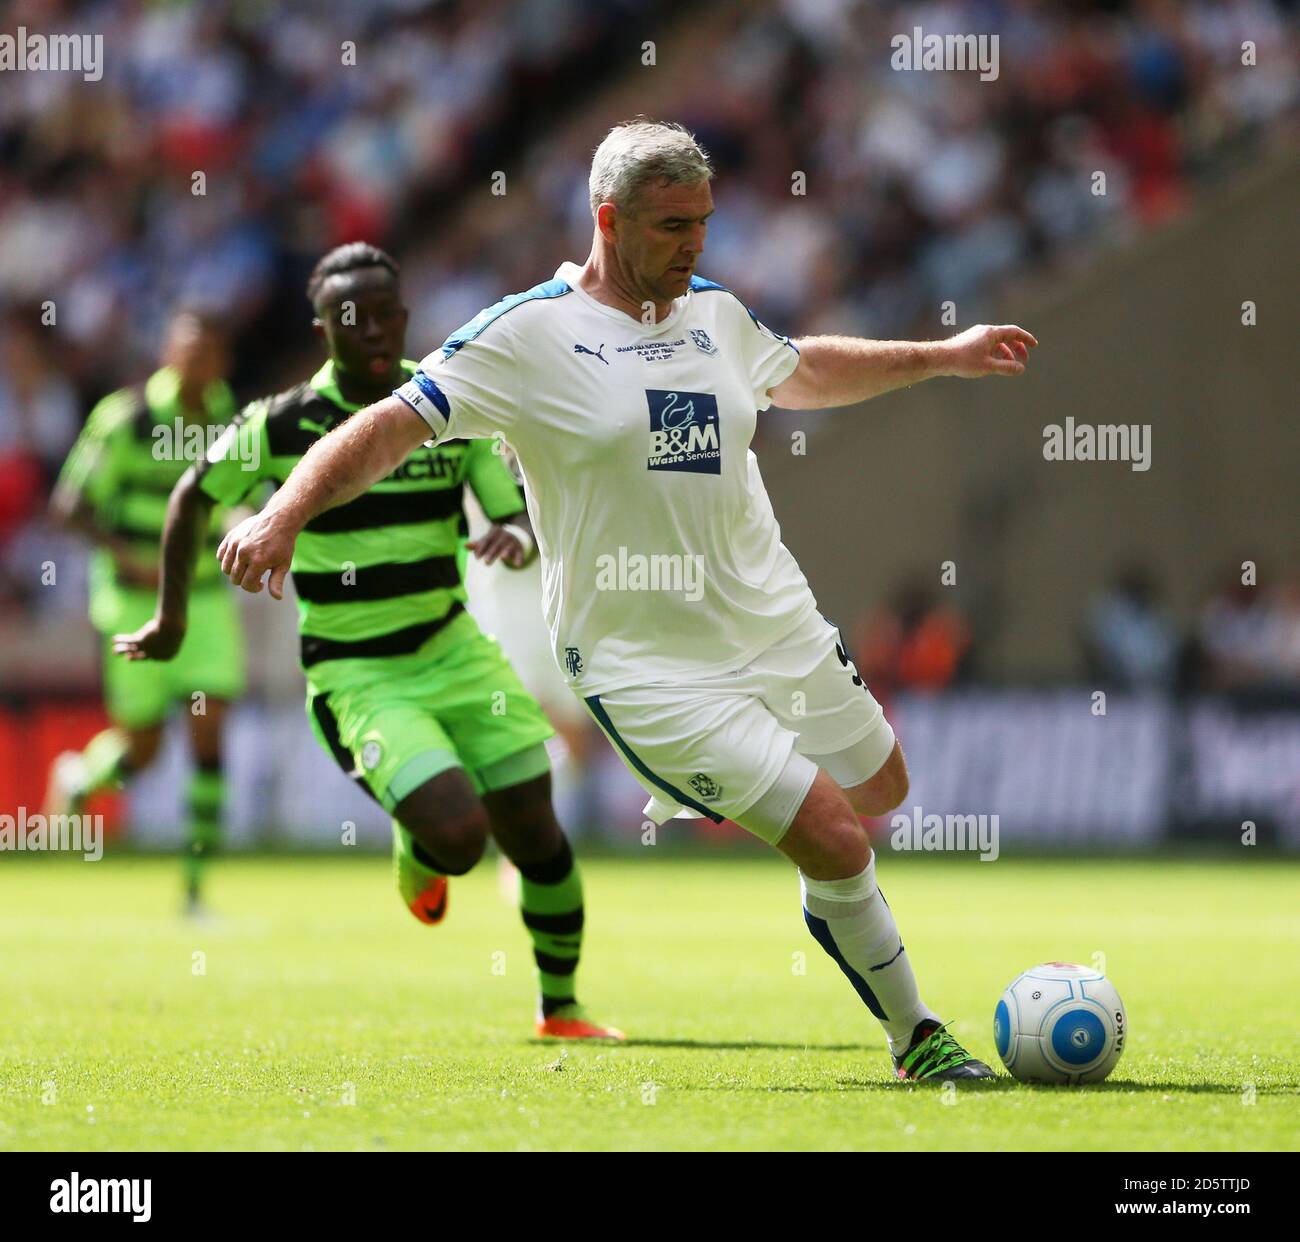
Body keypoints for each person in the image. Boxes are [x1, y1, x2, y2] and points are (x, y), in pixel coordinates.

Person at [213, 122, 1040, 1080]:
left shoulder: (714, 313)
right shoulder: (524, 336)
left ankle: (833, 893)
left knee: (880, 792)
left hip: (774, 619)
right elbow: (384, 430)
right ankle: (918, 1039)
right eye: (672, 225)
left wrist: (941, 354)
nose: (694, 243)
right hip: (642, 662)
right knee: (833, 831)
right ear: (608, 220)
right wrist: (281, 514)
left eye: (704, 222)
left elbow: (802, 370)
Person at [114, 243, 621, 1041]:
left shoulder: (446, 405)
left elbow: (512, 508)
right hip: (359, 674)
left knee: (536, 830)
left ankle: (561, 1007)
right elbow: (192, 495)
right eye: (356, 317)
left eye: (391, 313)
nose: (377, 329)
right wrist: (172, 618)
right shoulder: (280, 426)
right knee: (458, 838)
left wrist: (516, 537)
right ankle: (420, 844)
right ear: (323, 328)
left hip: (456, 650)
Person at [47, 309, 244, 913]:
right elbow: (69, 504)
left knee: (209, 725)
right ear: (168, 352)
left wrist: (244, 525)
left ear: (222, 362)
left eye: (209, 353)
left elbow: (241, 497)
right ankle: (82, 779)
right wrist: (128, 557)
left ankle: (194, 889)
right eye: (189, 350)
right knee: (145, 750)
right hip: (133, 600)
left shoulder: (229, 420)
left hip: (203, 598)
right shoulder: (125, 419)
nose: (198, 363)